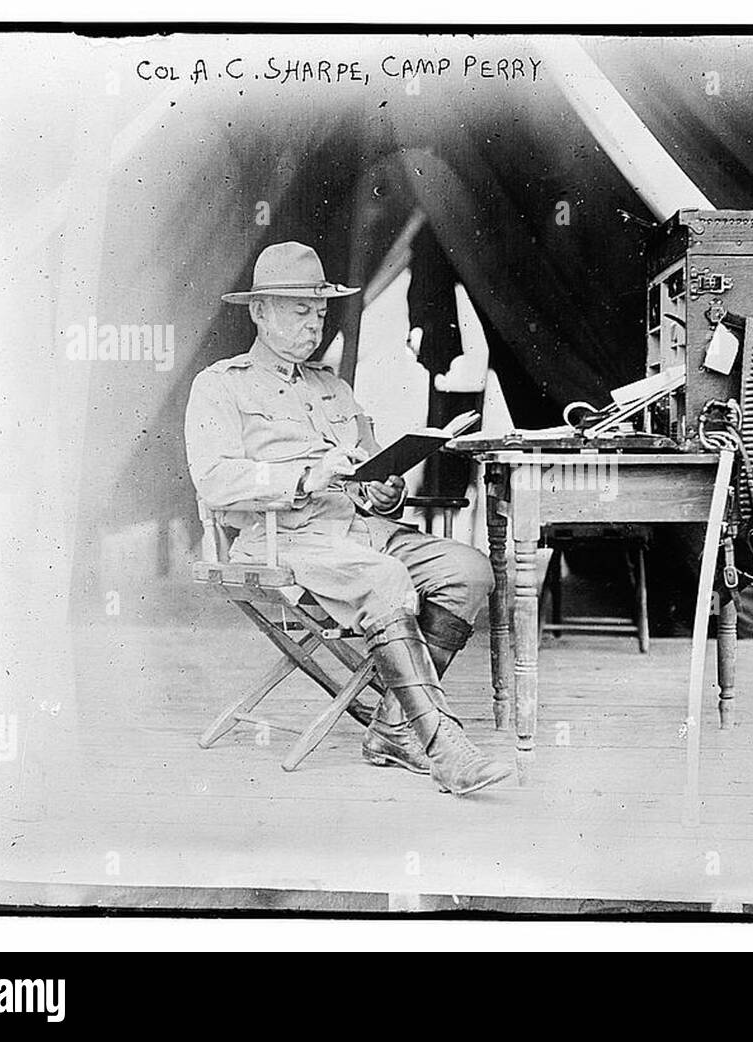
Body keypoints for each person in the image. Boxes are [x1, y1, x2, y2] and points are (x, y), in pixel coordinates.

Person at [185, 241, 510, 796]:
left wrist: (386, 489)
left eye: (319, 311)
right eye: (298, 310)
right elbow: (213, 479)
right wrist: (303, 479)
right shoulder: (222, 385)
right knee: (385, 579)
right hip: (281, 539)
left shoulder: (333, 387)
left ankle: (390, 728)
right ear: (259, 311)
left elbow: (371, 476)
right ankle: (442, 745)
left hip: (360, 532)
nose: (314, 323)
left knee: (469, 569)